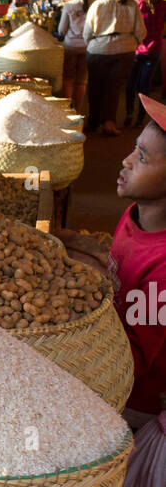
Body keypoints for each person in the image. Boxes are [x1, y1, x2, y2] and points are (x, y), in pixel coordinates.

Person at [57, 94, 166, 422]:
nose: (126, 160)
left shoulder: (162, 267)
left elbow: (134, 358)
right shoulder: (135, 215)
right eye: (135, 147)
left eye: (143, 157)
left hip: (131, 397)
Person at [83, 0, 146, 136]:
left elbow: (87, 33)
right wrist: (132, 43)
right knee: (114, 88)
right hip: (125, 51)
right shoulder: (131, 4)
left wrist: (92, 43)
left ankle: (94, 121)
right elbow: (141, 31)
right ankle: (109, 122)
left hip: (98, 51)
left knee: (96, 87)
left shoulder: (99, 4)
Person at [125, 0, 166, 128]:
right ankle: (141, 118)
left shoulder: (137, 3)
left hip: (136, 48)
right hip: (155, 48)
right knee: (145, 85)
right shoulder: (163, 4)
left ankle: (129, 113)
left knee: (131, 83)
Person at [57, 0, 89, 115]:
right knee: (81, 81)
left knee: (68, 78)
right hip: (88, 47)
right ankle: (78, 111)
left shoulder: (70, 5)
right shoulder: (96, 4)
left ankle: (66, 111)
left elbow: (61, 29)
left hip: (70, 46)